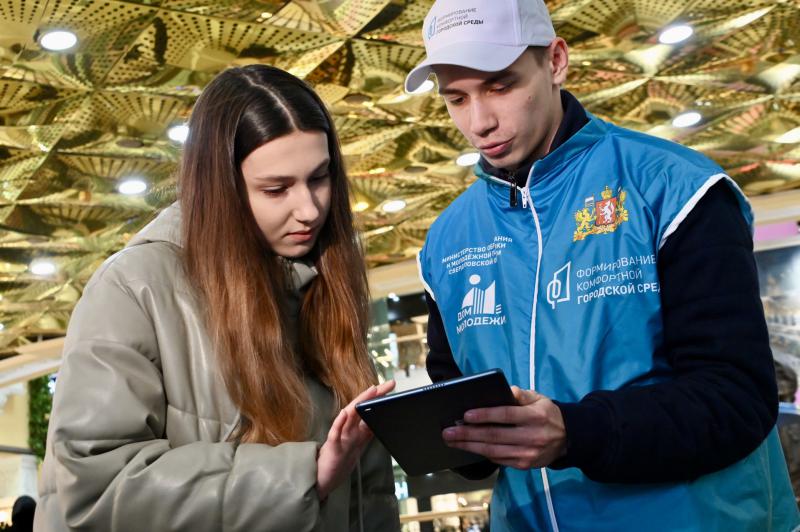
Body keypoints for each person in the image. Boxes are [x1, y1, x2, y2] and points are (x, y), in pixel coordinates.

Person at [408, 0, 800, 530]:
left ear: (556, 61)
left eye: (500, 86)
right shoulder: (447, 242)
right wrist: (453, 440)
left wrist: (575, 431)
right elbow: (462, 422)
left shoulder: (676, 189)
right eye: (456, 98)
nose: (479, 122)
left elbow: (736, 400)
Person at [33, 64, 400, 532]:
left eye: (320, 177)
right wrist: (301, 477)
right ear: (221, 188)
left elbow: (364, 499)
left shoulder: (322, 286)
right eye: (276, 188)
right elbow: (95, 486)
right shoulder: (133, 288)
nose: (309, 209)